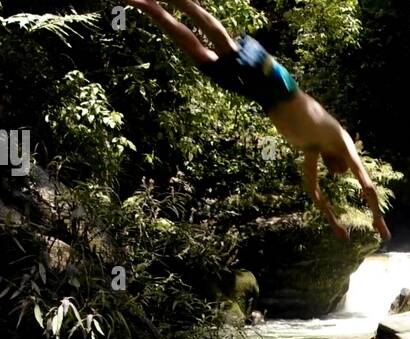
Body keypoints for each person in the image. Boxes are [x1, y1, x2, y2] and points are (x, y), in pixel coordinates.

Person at [128, 0, 391, 243]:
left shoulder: (319, 145)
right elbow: (339, 187)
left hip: (267, 89)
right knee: (211, 49)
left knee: (213, 48)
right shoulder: (332, 141)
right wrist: (357, 219)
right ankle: (150, 6)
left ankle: (152, 5)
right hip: (273, 86)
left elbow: (338, 187)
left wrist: (358, 220)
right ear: (335, 161)